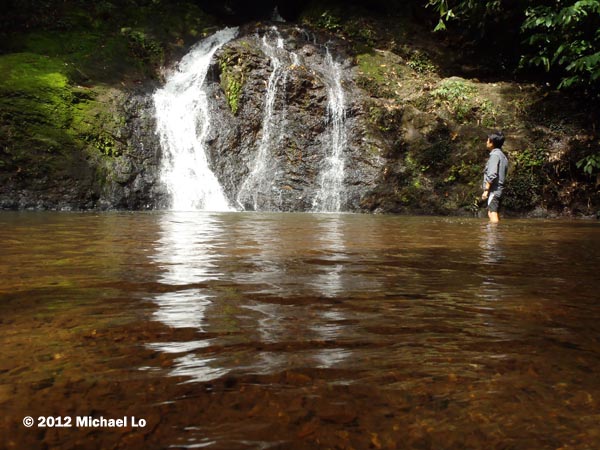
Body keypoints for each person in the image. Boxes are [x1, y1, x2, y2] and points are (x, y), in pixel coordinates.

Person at [481, 131, 508, 223]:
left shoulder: (495, 155)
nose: (486, 142)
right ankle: (495, 233)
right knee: (492, 211)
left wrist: (486, 190)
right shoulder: (502, 155)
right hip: (499, 189)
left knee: (492, 213)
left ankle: (494, 235)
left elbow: (492, 174)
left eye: (488, 140)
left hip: (494, 190)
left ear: (492, 143)